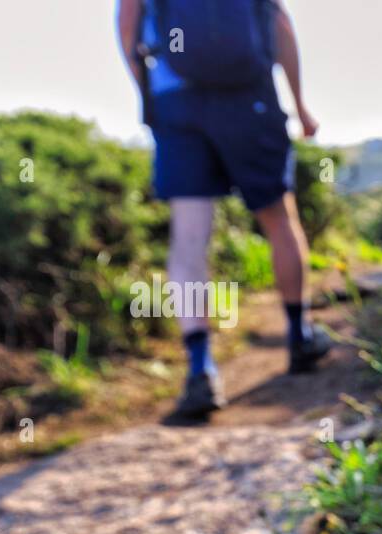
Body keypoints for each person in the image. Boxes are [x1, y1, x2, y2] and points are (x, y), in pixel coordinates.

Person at [117, 0, 330, 418]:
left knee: (189, 237)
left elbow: (127, 26)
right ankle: (299, 335)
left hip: (176, 101)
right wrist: (301, 105)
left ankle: (200, 368)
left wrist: (149, 93)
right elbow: (280, 24)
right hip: (249, 94)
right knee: (278, 218)